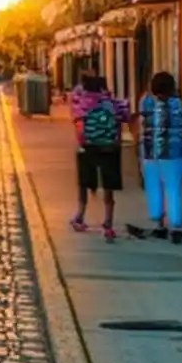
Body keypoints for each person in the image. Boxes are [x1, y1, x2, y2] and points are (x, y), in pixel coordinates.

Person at [130, 72, 182, 244]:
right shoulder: (177, 103)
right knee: (173, 189)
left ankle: (159, 224)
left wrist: (138, 149)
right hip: (174, 152)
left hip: (150, 152)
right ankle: (176, 227)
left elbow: (139, 125)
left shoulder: (146, 101)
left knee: (154, 188)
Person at [70, 73, 129, 242]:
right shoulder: (111, 103)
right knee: (108, 184)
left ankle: (80, 215)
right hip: (110, 147)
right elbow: (124, 115)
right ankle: (108, 222)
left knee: (84, 181)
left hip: (88, 146)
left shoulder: (81, 102)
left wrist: (82, 141)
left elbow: (78, 123)